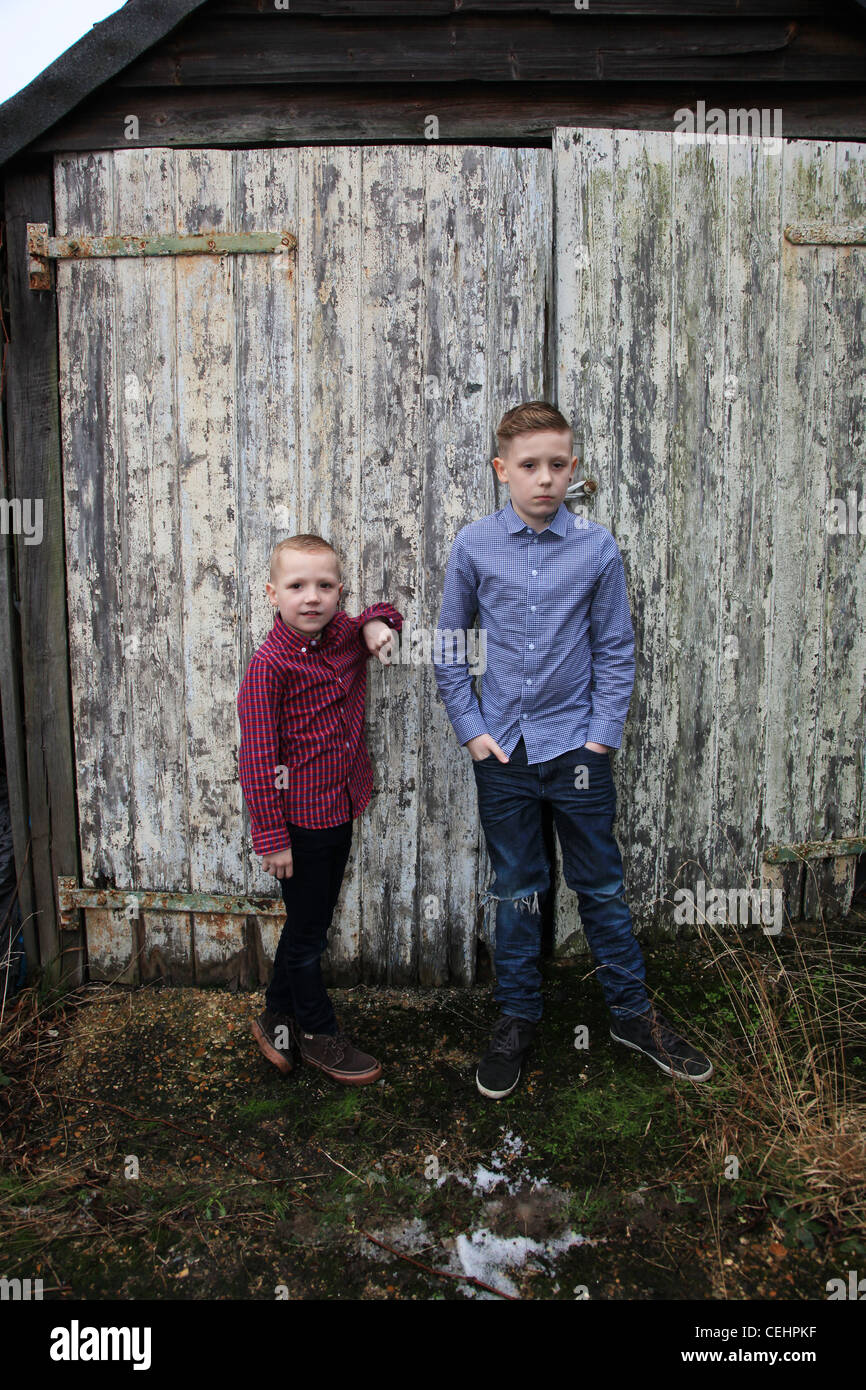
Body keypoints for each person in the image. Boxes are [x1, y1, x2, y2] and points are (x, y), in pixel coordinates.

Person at [433, 401, 713, 1099]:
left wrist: (599, 738)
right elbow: (447, 647)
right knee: (520, 890)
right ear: (503, 471)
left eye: (558, 465)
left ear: (573, 469)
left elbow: (615, 648)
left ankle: (630, 1016)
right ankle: (519, 1018)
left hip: (577, 753)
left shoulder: (596, 547)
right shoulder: (473, 546)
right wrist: (473, 731)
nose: (544, 479)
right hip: (504, 756)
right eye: (529, 466)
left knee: (602, 886)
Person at [237, 534, 402, 1085]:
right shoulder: (269, 668)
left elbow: (382, 611)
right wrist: (272, 838)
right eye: (297, 586)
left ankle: (274, 1015)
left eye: (325, 586)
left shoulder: (344, 638)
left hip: (341, 809)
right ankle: (317, 1033)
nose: (312, 597)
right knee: (309, 935)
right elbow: (258, 760)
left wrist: (380, 626)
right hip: (298, 825)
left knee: (309, 923)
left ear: (339, 592)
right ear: (272, 593)